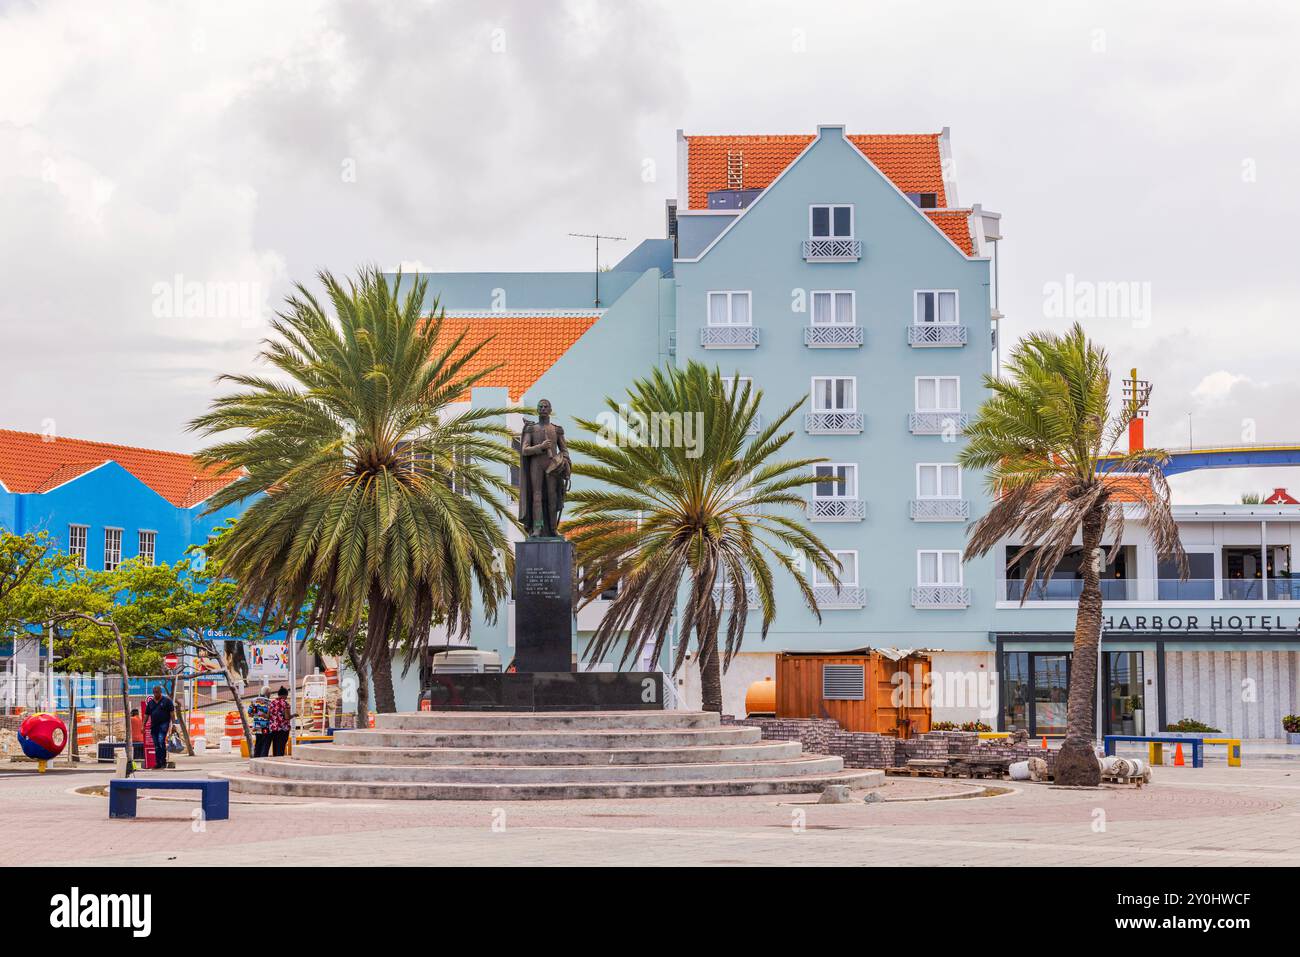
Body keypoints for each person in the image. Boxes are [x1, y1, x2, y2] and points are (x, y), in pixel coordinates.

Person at [143, 685, 176, 770]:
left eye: (157, 692)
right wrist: (143, 726)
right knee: (156, 745)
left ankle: (163, 762)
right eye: (154, 692)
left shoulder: (167, 701)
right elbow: (146, 715)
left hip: (164, 724)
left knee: (161, 741)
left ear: (160, 692)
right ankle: (158, 762)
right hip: (154, 726)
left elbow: (172, 713)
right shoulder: (151, 703)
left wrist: (174, 725)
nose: (155, 694)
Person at [268, 686, 292, 757]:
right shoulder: (285, 704)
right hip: (283, 729)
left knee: (275, 745)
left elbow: (268, 715)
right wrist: (293, 715)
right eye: (286, 696)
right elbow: (287, 717)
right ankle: (280, 759)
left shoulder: (272, 703)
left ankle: (275, 760)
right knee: (281, 747)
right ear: (285, 695)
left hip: (274, 728)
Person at [249, 687, 272, 758]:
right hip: (266, 727)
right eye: (270, 693)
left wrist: (256, 715)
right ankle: (263, 759)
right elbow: (270, 716)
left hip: (257, 727)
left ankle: (256, 759)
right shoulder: (269, 702)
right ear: (268, 693)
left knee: (258, 744)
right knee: (265, 744)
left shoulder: (254, 701)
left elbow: (250, 713)